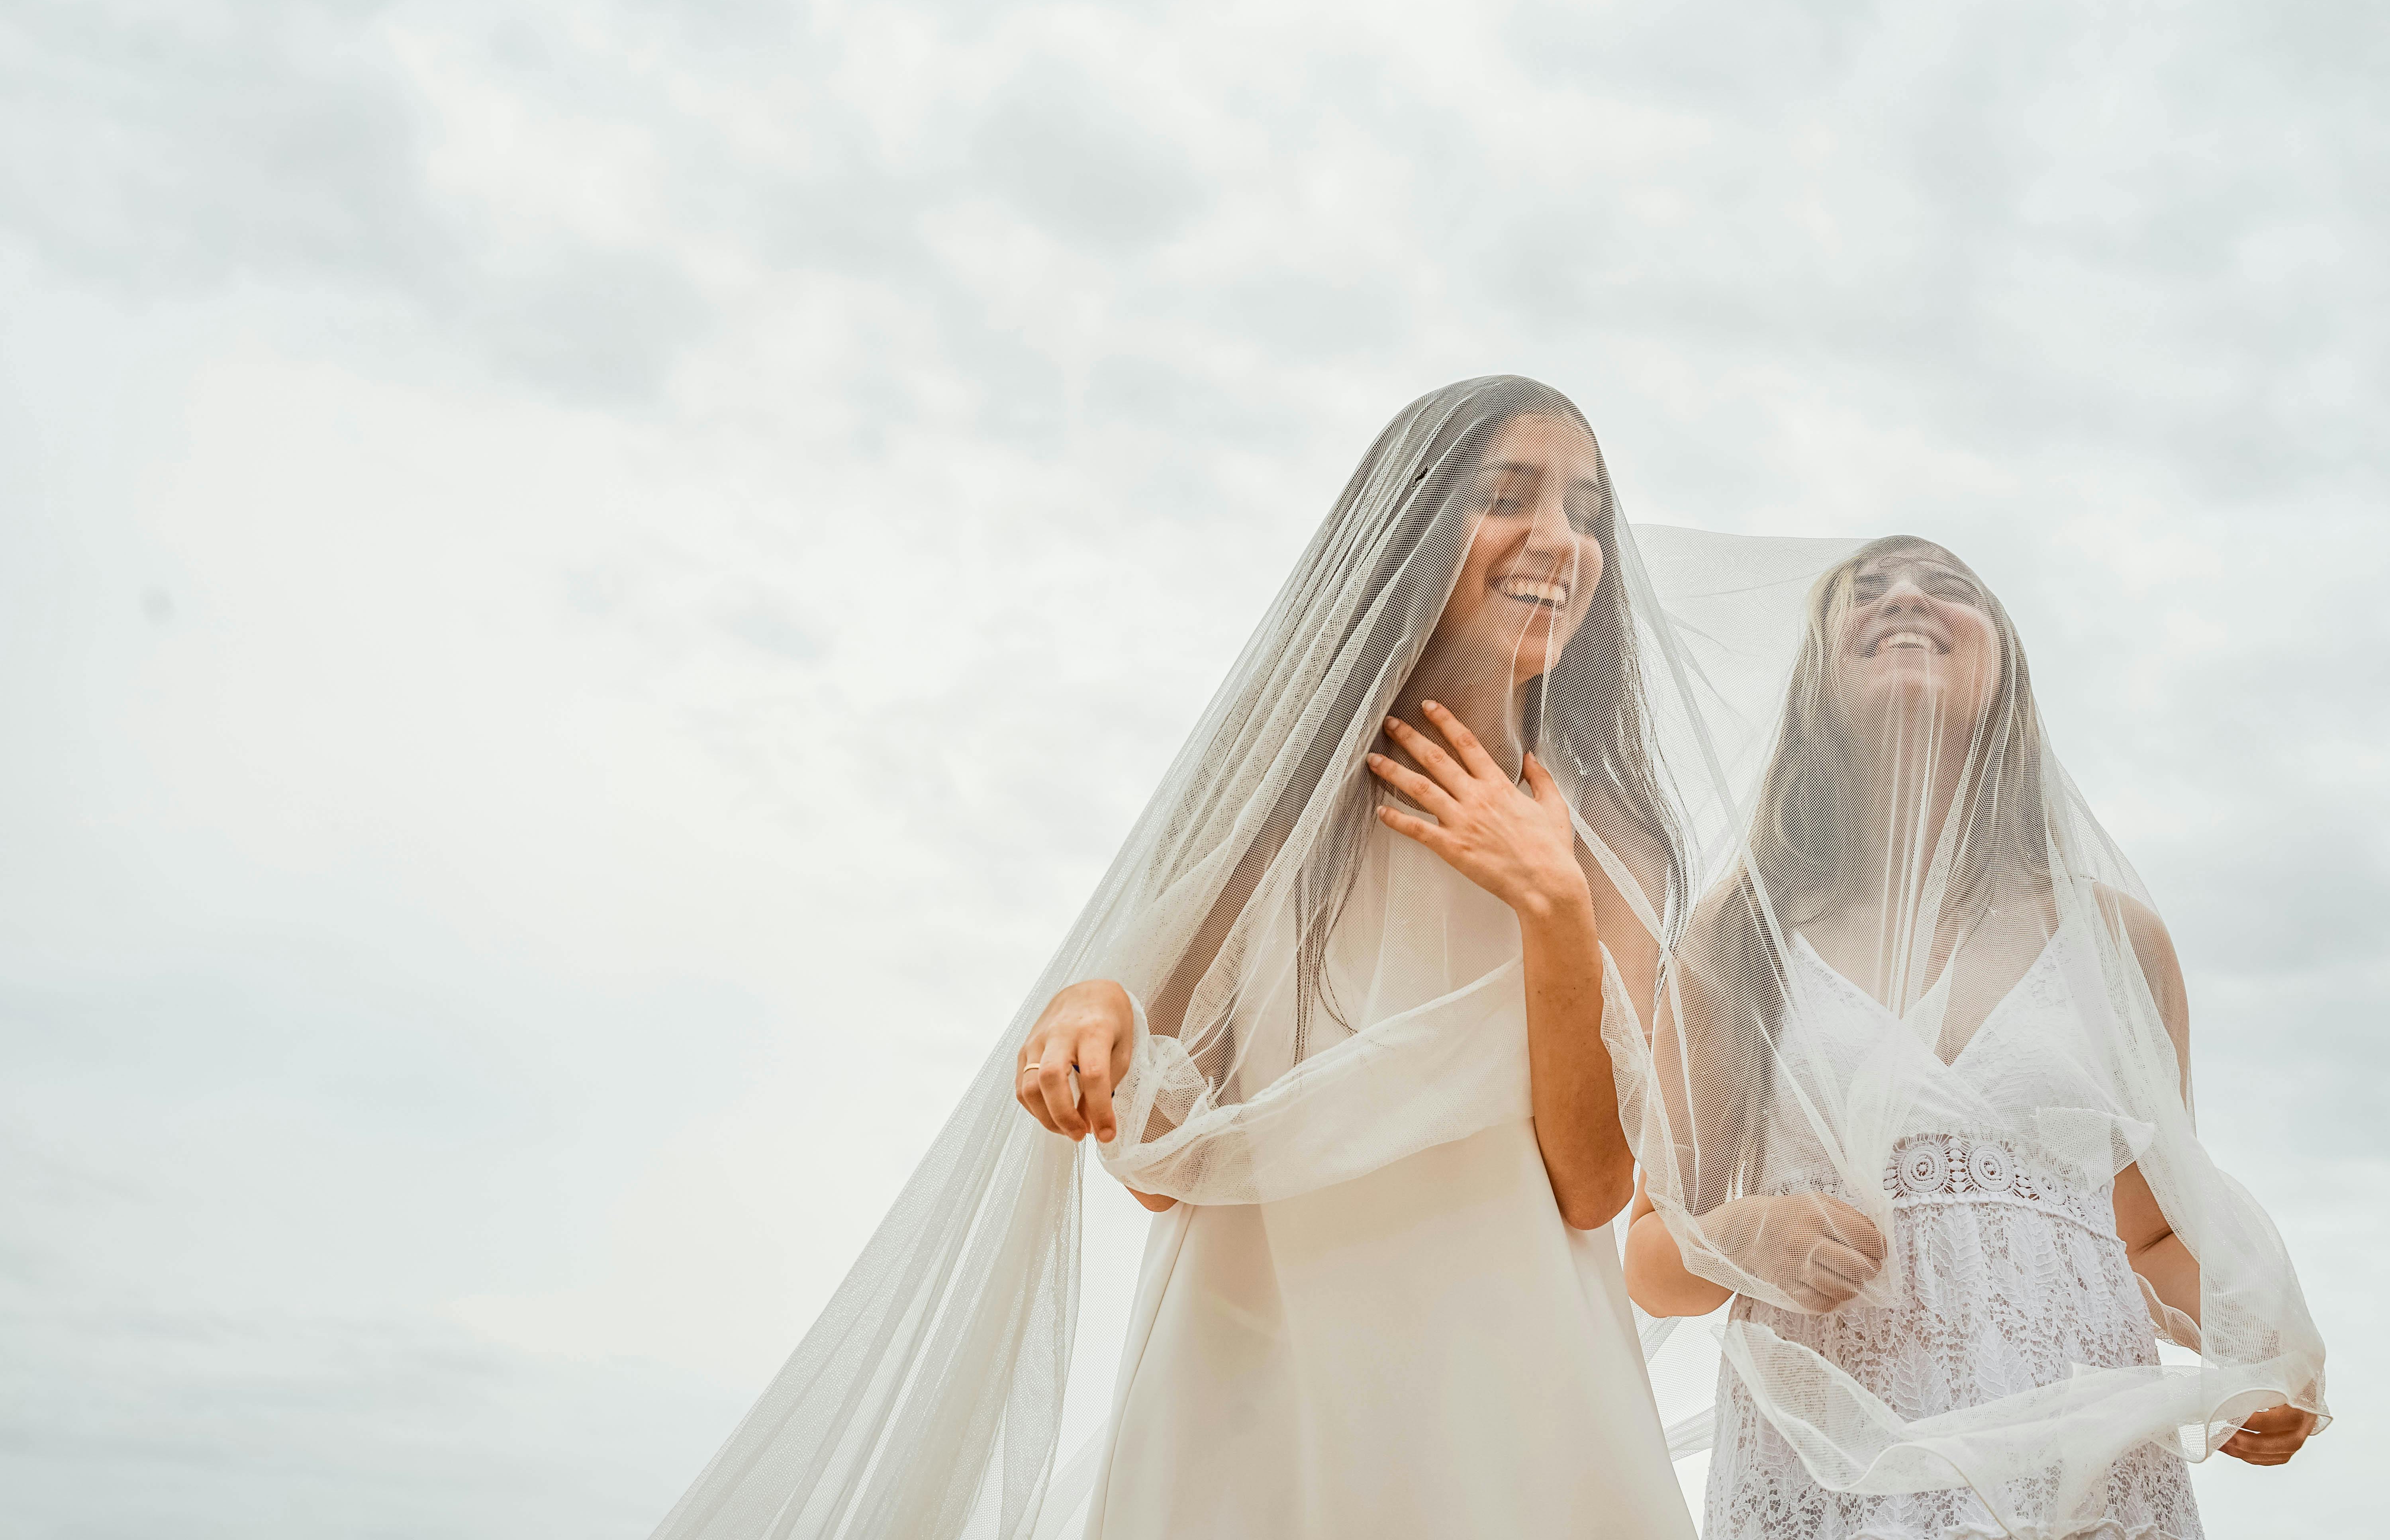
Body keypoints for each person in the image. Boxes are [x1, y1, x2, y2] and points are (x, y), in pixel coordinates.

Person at [648, 377, 1719, 1540]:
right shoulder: (1268, 809)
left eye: (1587, 512)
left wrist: (1553, 902)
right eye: (1506, 497)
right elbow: (1166, 1167)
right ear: (1406, 533)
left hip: (1512, 1383)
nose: (1561, 540)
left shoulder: (1612, 838)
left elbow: (1593, 1184)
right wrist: (1099, 1010)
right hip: (1263, 1364)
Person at [1613, 536, 2327, 1540]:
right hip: (1838, 1469)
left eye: (1947, 586)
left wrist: (2264, 1355)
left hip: (2075, 1472)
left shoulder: (2120, 941)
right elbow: (1650, 1251)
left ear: (2008, 674)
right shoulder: (1739, 936)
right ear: (1816, 680)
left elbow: (2153, 1237)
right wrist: (1746, 1236)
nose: (1905, 596)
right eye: (1869, 589)